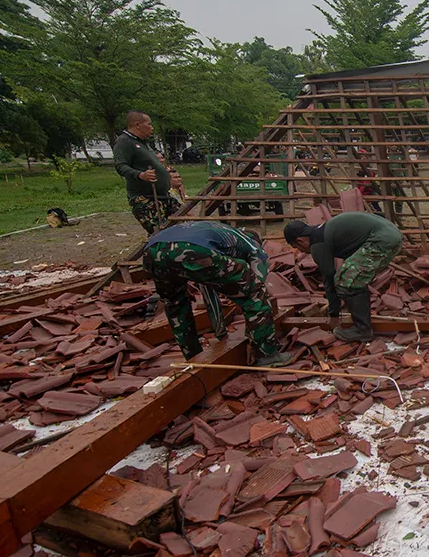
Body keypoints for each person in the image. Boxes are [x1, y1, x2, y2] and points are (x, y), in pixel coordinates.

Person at [142, 220, 294, 367]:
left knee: (175, 305)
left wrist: (221, 331)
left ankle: (193, 357)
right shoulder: (251, 244)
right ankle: (267, 354)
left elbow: (208, 284)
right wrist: (253, 329)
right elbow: (257, 285)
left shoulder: (220, 236)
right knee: (255, 294)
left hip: (152, 252)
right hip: (194, 250)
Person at [283, 213, 403, 343]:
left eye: (298, 247)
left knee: (347, 281)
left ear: (300, 240)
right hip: (390, 234)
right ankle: (362, 323)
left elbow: (328, 277)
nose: (301, 252)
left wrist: (333, 314)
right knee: (354, 277)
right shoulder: (323, 231)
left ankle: (362, 330)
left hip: (382, 239)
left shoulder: (317, 243)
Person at [113, 111, 185, 233]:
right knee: (159, 233)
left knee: (184, 219)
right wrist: (141, 175)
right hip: (146, 199)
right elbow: (120, 166)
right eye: (149, 124)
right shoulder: (124, 142)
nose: (152, 128)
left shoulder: (142, 143)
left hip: (163, 196)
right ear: (138, 125)